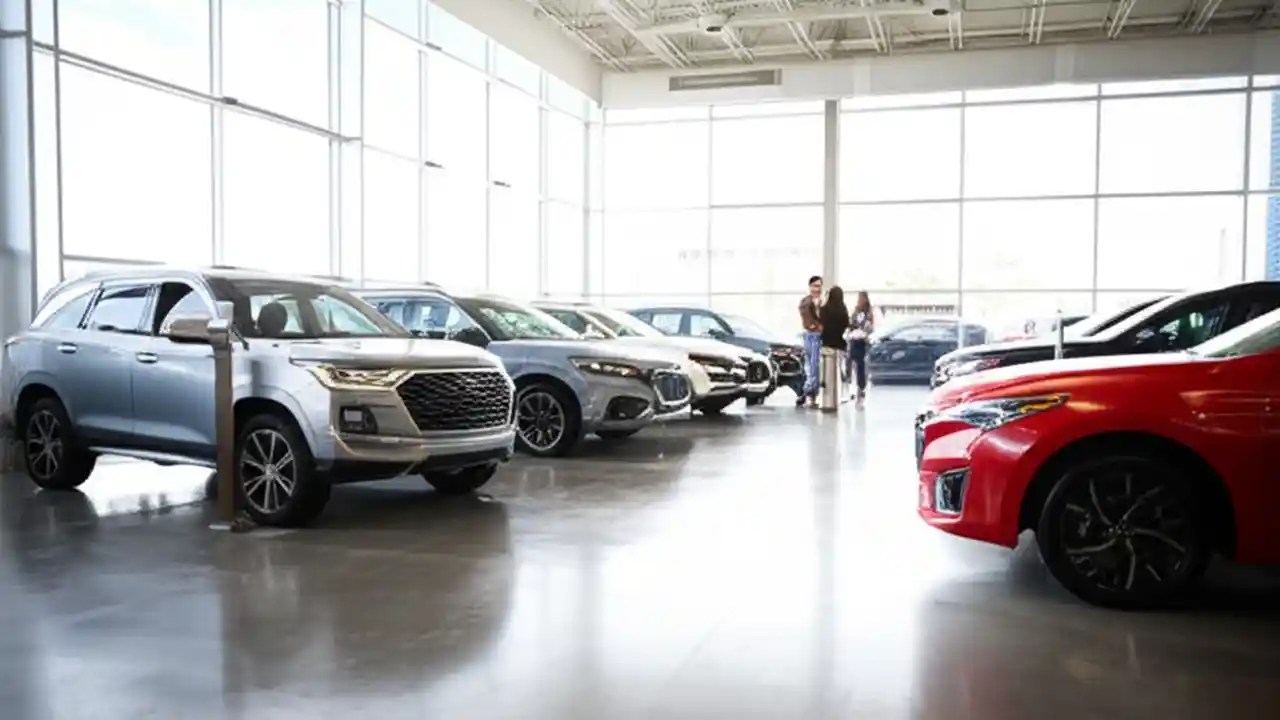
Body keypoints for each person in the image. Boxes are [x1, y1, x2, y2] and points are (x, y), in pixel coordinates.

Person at [819, 286, 850, 403]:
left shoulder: (824, 309)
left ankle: (825, 389)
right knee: (840, 368)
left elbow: (820, 324)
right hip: (839, 343)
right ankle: (842, 394)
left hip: (826, 342)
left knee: (826, 367)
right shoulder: (843, 309)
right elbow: (846, 324)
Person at [845, 290, 875, 408]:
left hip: (862, 341)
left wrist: (864, 329)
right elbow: (850, 324)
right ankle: (852, 388)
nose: (860, 301)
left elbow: (870, 328)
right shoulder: (855, 312)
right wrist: (851, 328)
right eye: (859, 298)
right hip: (854, 340)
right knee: (850, 364)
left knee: (860, 367)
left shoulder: (869, 313)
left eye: (862, 298)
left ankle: (861, 390)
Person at [797, 275, 823, 408]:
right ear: (810, 287)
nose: (817, 289)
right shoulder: (806, 302)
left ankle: (811, 393)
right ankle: (809, 393)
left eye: (819, 286)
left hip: (817, 335)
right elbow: (807, 318)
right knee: (811, 365)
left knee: (814, 366)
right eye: (815, 286)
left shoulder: (823, 302)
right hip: (810, 335)